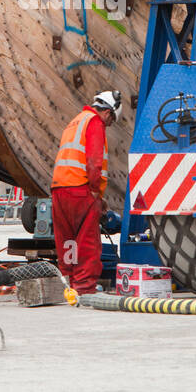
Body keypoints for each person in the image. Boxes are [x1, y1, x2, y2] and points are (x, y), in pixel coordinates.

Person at [50, 90, 121, 295]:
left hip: (59, 189)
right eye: (111, 120)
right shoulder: (94, 122)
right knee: (87, 240)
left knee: (68, 240)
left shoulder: (75, 122)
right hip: (81, 191)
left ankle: (69, 284)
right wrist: (96, 193)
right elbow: (94, 162)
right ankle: (84, 287)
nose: (109, 125)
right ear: (107, 112)